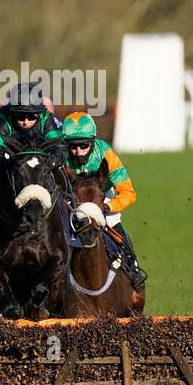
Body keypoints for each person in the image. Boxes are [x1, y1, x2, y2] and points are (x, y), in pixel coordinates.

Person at [0, 81, 64, 233]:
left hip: (41, 156)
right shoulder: (3, 118)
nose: (25, 122)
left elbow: (60, 147)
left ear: (39, 112)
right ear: (12, 113)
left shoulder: (46, 119)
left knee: (61, 171)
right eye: (21, 116)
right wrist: (5, 163)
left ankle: (71, 210)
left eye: (31, 117)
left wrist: (52, 161)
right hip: (12, 156)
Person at [61, 111, 147, 292]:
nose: (77, 152)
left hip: (102, 197)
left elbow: (129, 192)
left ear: (92, 141)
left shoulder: (107, 154)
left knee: (116, 229)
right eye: (72, 146)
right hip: (72, 200)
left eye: (83, 145)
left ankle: (133, 269)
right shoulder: (61, 156)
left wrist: (108, 207)